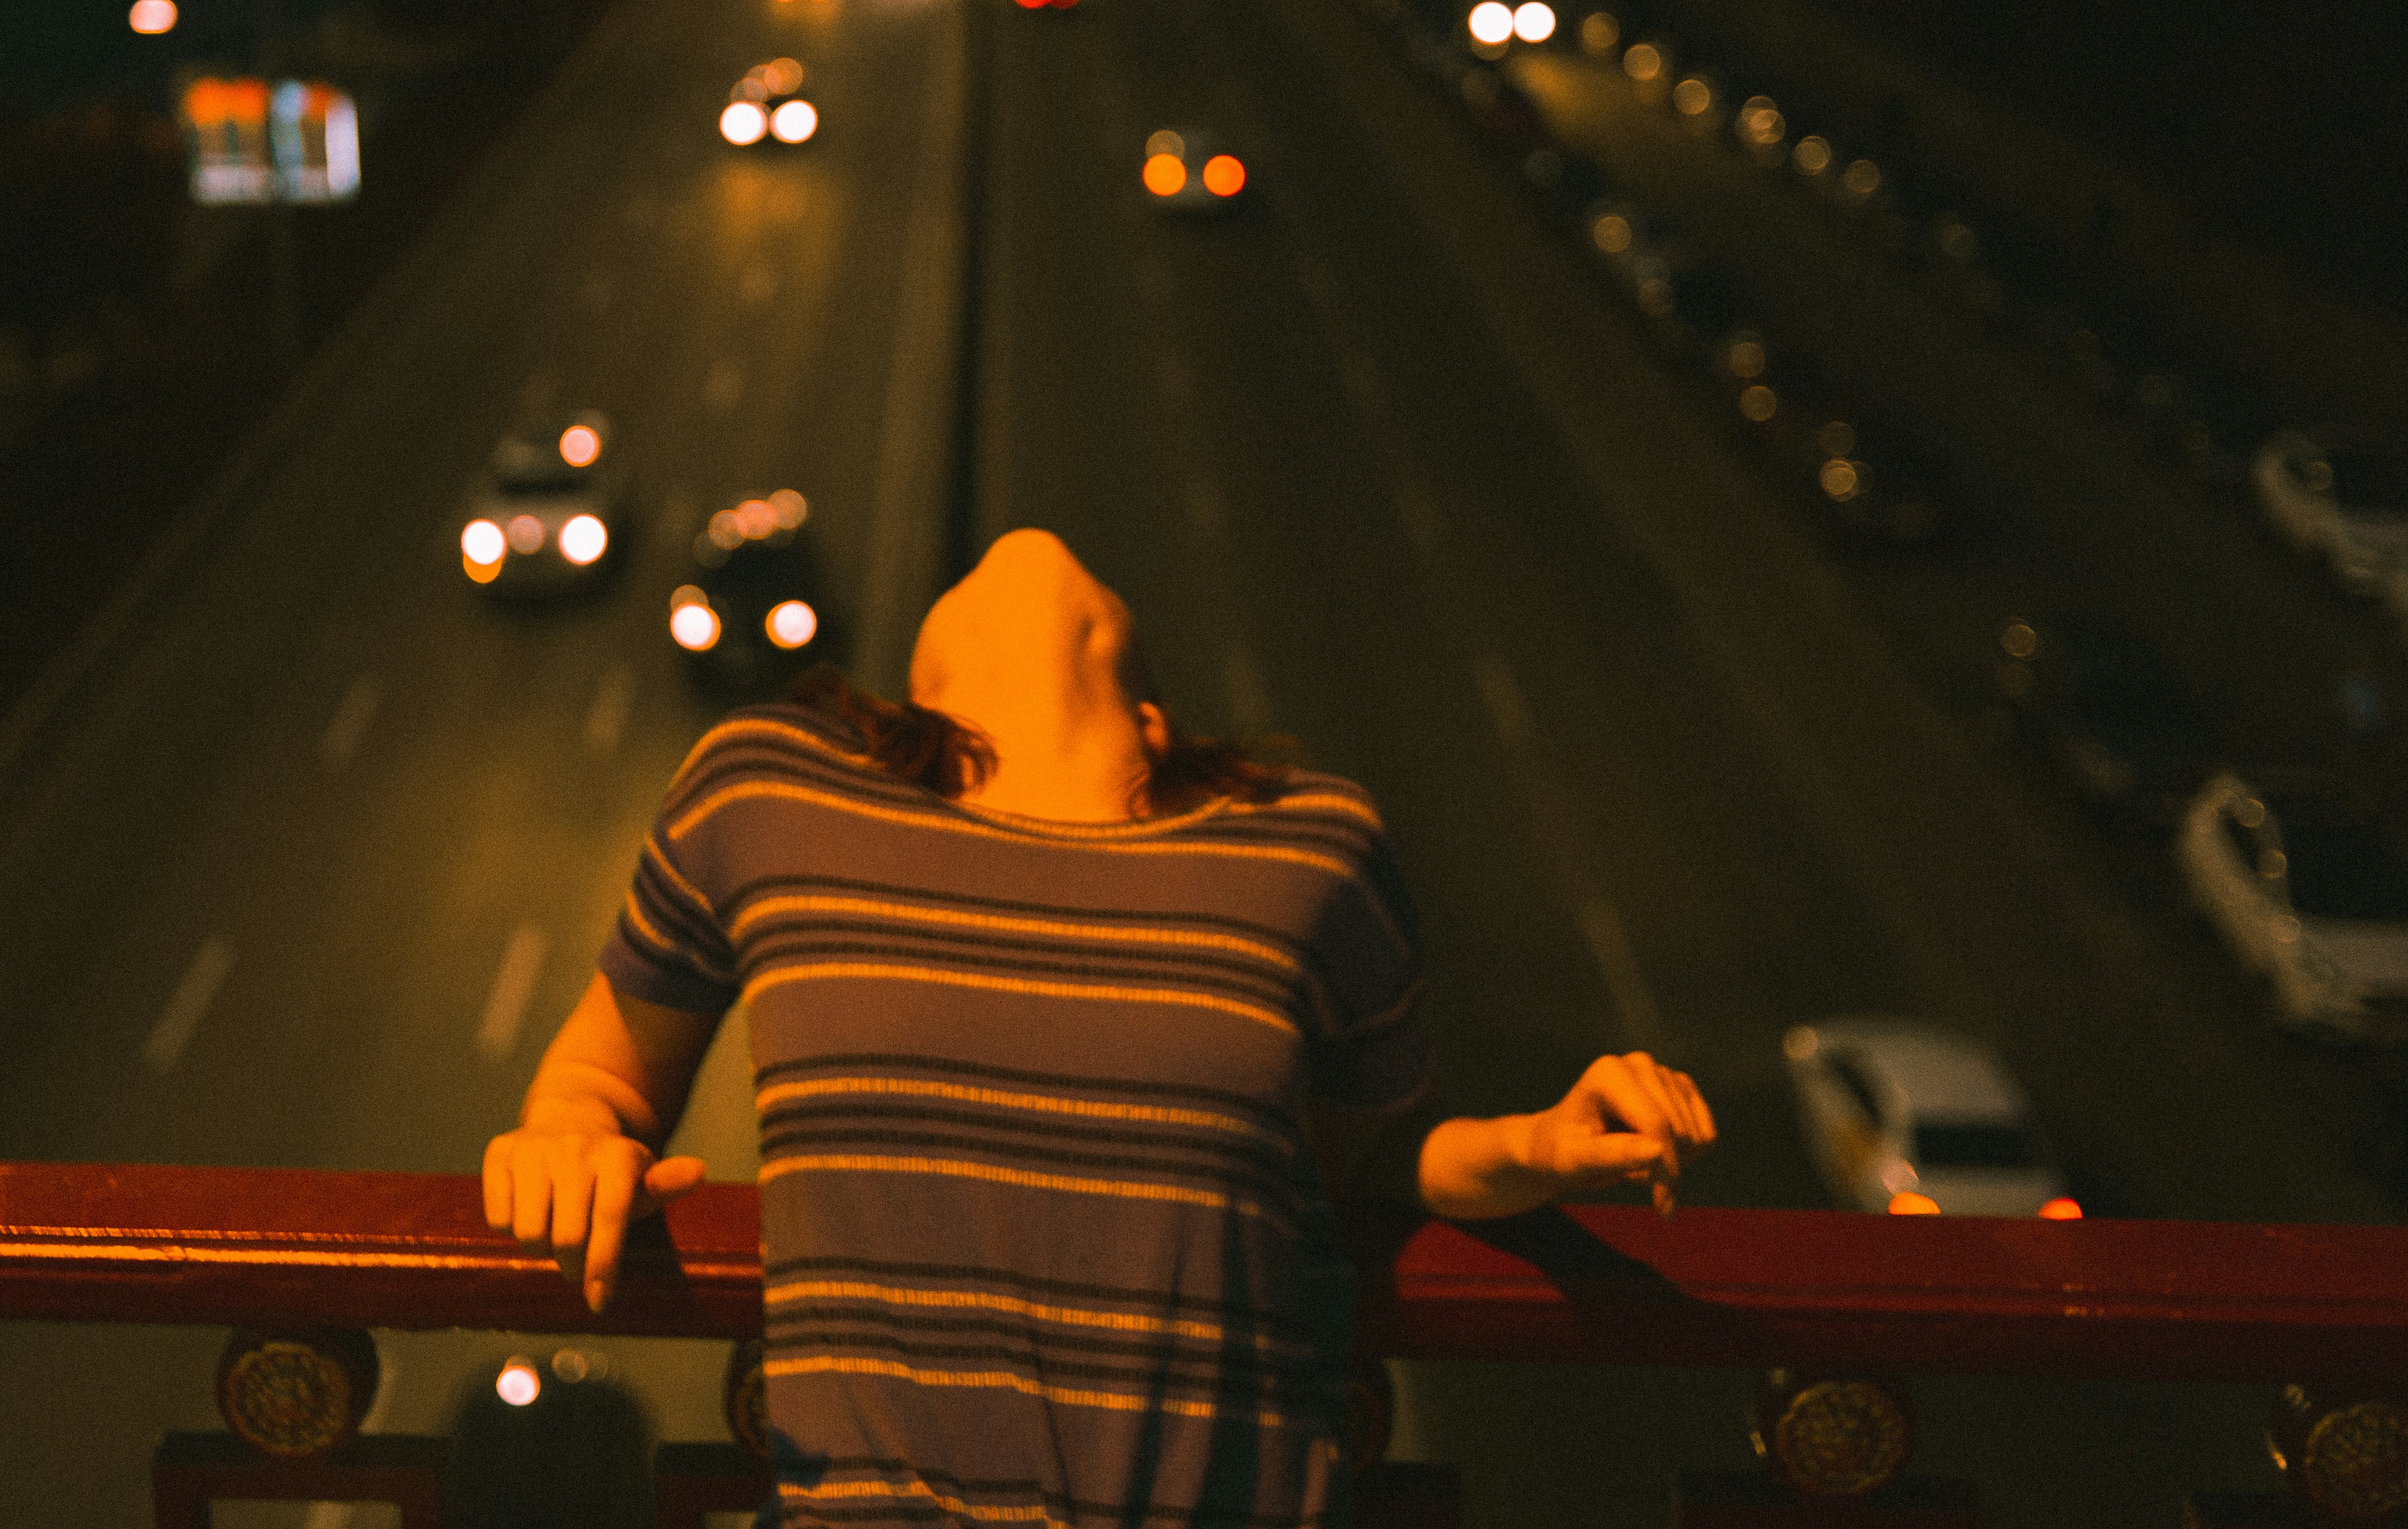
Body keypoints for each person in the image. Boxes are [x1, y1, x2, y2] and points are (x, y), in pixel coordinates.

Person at [485, 529, 1714, 1527]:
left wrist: (1539, 1145)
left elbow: (1375, 1155)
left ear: (1160, 724)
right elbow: (601, 1075)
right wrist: (566, 1136)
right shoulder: (764, 789)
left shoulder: (1308, 843)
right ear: (908, 700)